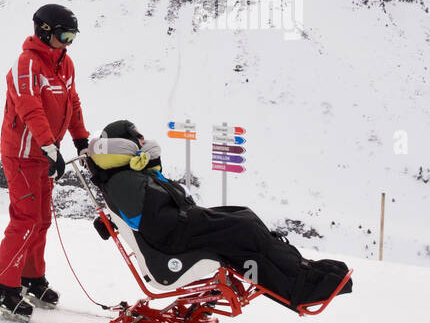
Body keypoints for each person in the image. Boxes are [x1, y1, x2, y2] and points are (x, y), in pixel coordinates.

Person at [86, 119, 352, 311]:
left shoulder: (127, 173)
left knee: (245, 217)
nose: (143, 141)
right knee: (244, 230)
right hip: (171, 239)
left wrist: (149, 169)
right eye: (137, 137)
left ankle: (301, 268)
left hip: (179, 226)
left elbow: (154, 201)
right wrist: (146, 172)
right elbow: (148, 214)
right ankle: (299, 288)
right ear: (124, 143)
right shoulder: (122, 179)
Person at [0, 3, 91, 317]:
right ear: (44, 31)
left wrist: (80, 138)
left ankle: (31, 277)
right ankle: (4, 287)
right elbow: (29, 108)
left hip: (45, 153)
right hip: (22, 154)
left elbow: (72, 101)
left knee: (41, 221)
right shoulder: (25, 65)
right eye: (63, 35)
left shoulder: (65, 64)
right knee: (25, 220)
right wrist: (49, 146)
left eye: (73, 36)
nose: (68, 42)